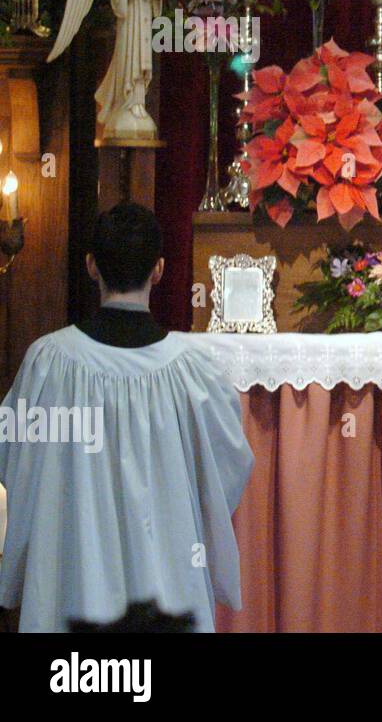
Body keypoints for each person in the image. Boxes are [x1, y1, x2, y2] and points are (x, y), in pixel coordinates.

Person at [0, 202, 252, 632]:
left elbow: (14, 464)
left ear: (91, 266)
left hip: (71, 582)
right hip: (169, 583)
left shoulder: (48, 363)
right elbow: (227, 470)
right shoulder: (196, 373)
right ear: (158, 270)